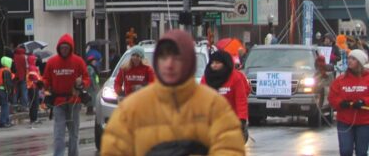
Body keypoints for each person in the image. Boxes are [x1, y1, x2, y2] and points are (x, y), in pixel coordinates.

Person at [101, 30, 245, 156]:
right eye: (163, 57)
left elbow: (231, 148)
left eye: (177, 58)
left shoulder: (214, 106)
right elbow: (113, 149)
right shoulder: (131, 109)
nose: (169, 64)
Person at [43, 34, 90, 156]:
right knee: (59, 133)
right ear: (59, 48)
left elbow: (86, 78)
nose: (64, 50)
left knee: (74, 133)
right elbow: (46, 79)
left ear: (70, 48)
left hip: (74, 102)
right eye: (62, 47)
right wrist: (42, 84)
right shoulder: (52, 62)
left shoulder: (78, 61)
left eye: (66, 48)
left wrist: (82, 83)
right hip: (58, 102)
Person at [202, 49, 250, 142]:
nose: (214, 65)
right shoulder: (206, 78)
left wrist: (242, 120)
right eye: (212, 63)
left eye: (217, 63)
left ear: (225, 64)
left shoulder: (235, 78)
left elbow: (241, 100)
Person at [330, 48, 369, 156]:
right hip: (345, 121)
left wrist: (363, 101)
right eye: (349, 58)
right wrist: (341, 103)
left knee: (361, 152)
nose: (349, 61)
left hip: (364, 122)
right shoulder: (341, 79)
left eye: (353, 59)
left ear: (360, 62)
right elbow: (332, 96)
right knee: (345, 151)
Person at [0, 56, 14, 128]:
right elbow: (7, 82)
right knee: (5, 106)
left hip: (0, 89)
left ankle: (6, 121)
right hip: (4, 90)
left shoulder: (0, 70)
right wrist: (10, 91)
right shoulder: (7, 71)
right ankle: (3, 122)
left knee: (5, 105)